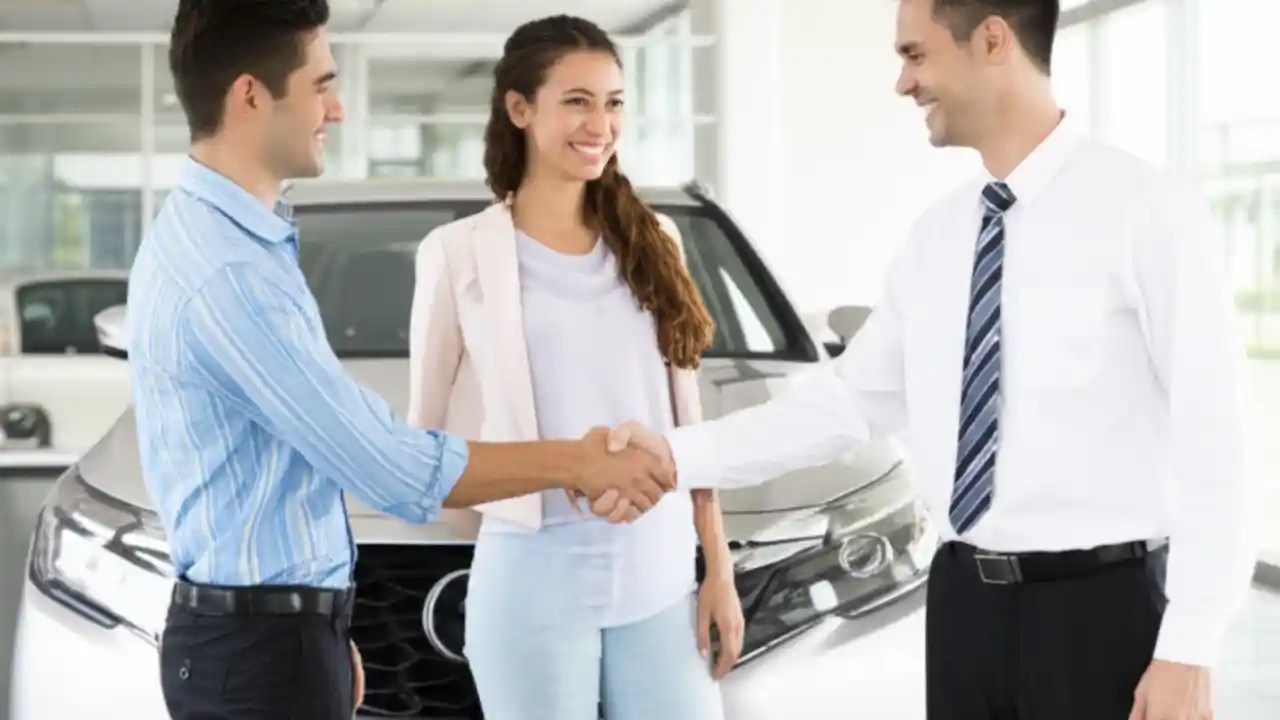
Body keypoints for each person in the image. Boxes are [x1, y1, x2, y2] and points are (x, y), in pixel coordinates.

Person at [605, 1, 1256, 718]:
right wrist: (672, 456)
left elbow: (1216, 440)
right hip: (962, 608)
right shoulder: (939, 236)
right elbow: (846, 404)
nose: (903, 84)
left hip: (1100, 614)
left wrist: (1189, 646)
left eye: (915, 55)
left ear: (992, 39)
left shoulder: (1146, 210)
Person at [129, 3, 674, 719]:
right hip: (258, 649)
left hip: (276, 636)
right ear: (251, 95)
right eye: (321, 84)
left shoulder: (232, 239)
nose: (339, 108)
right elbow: (388, 465)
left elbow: (285, 470)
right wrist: (577, 461)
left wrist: (321, 626)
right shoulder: (229, 273)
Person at [405, 14, 743, 720]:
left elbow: (689, 421)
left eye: (614, 101)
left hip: (659, 576)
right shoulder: (458, 252)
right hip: (532, 580)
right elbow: (425, 451)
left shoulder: (659, 240)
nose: (601, 123)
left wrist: (717, 569)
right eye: (578, 101)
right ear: (520, 109)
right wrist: (566, 475)